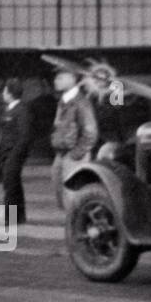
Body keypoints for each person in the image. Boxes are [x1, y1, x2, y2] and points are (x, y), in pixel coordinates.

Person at [51, 69, 98, 207]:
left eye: (60, 77)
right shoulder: (63, 100)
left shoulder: (81, 102)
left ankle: (75, 226)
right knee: (62, 195)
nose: (55, 81)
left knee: (73, 198)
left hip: (73, 155)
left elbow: (90, 132)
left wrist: (76, 154)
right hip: (61, 153)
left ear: (72, 78)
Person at [0, 78, 32, 225]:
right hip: (7, 152)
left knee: (9, 184)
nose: (3, 94)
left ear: (10, 93)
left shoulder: (21, 110)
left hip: (15, 153)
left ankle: (10, 217)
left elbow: (24, 135)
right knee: (15, 184)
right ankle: (20, 215)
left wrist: (15, 154)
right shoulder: (10, 109)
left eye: (5, 91)